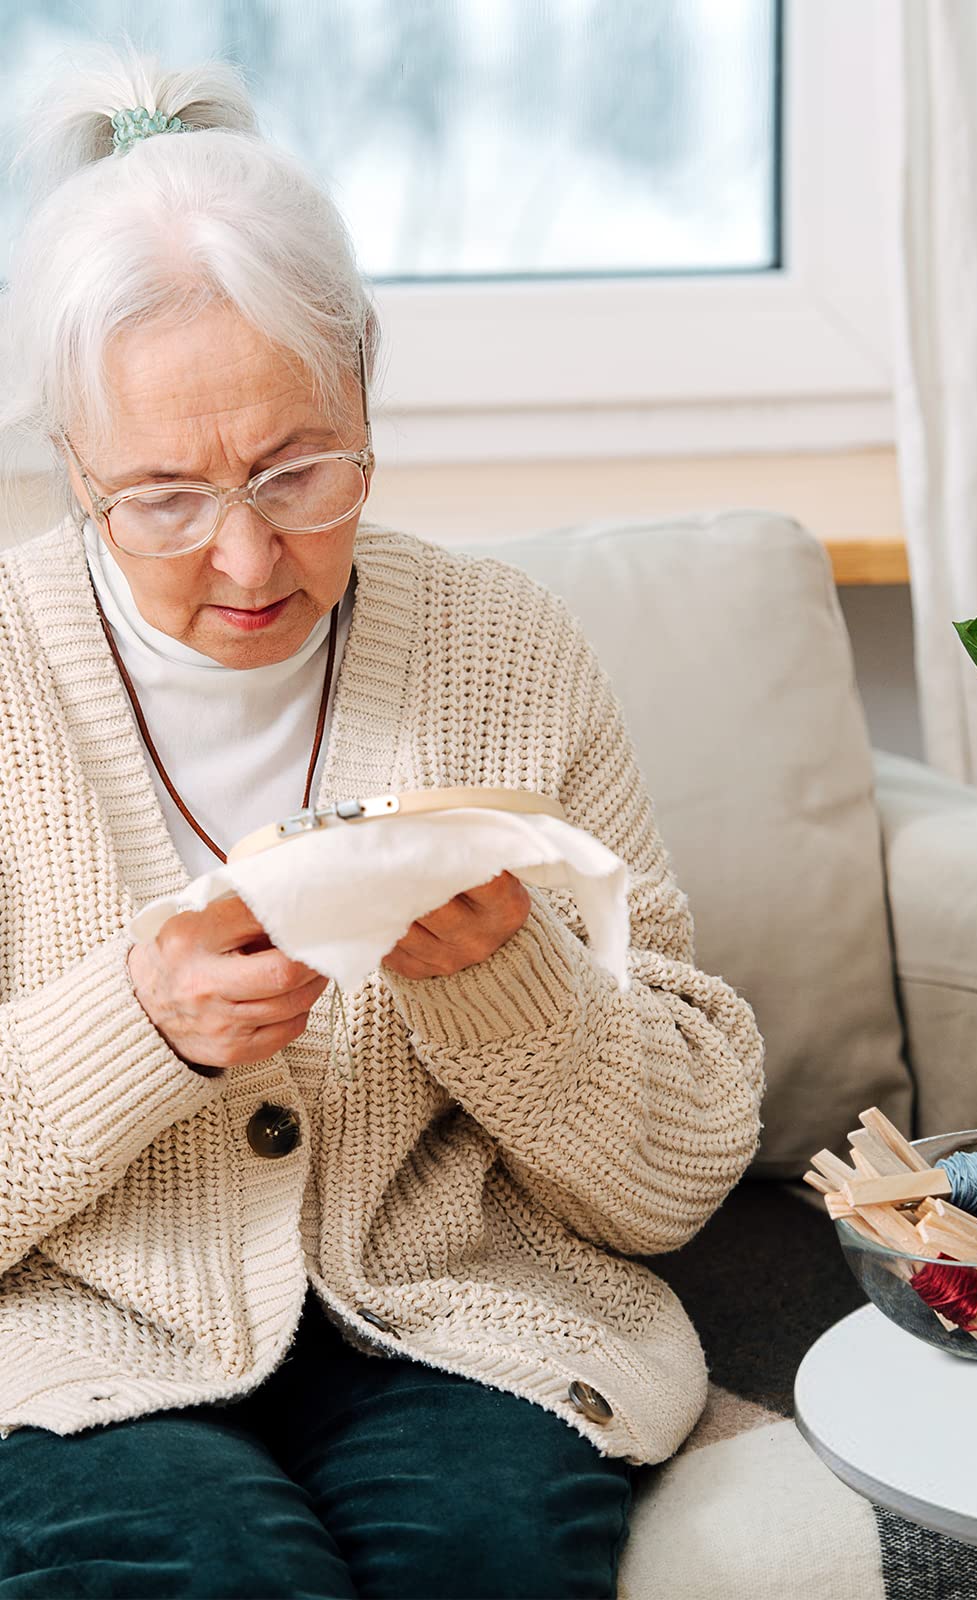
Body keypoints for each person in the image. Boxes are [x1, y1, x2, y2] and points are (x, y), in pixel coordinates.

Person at [0, 41, 765, 1600]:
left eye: (299, 470)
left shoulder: (502, 647)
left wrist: (514, 985)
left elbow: (682, 1170)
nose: (245, 557)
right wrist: (134, 1028)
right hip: (79, 1349)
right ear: (70, 465)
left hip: (459, 1320)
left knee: (481, 1554)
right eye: (161, 498)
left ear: (366, 387)